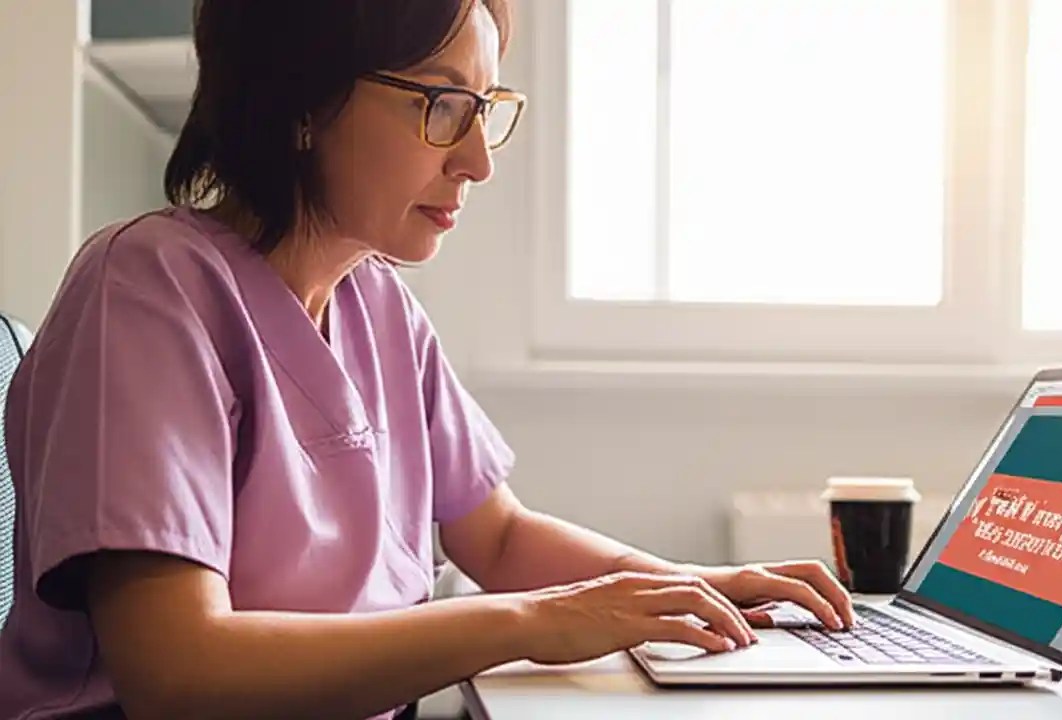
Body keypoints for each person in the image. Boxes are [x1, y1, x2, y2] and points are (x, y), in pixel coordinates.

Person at [0, 1, 854, 718]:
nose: (476, 160)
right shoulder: (147, 290)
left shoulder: (380, 306)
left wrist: (689, 585)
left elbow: (501, 533)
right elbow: (178, 670)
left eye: (484, 109)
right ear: (302, 97)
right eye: (441, 105)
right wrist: (526, 623)